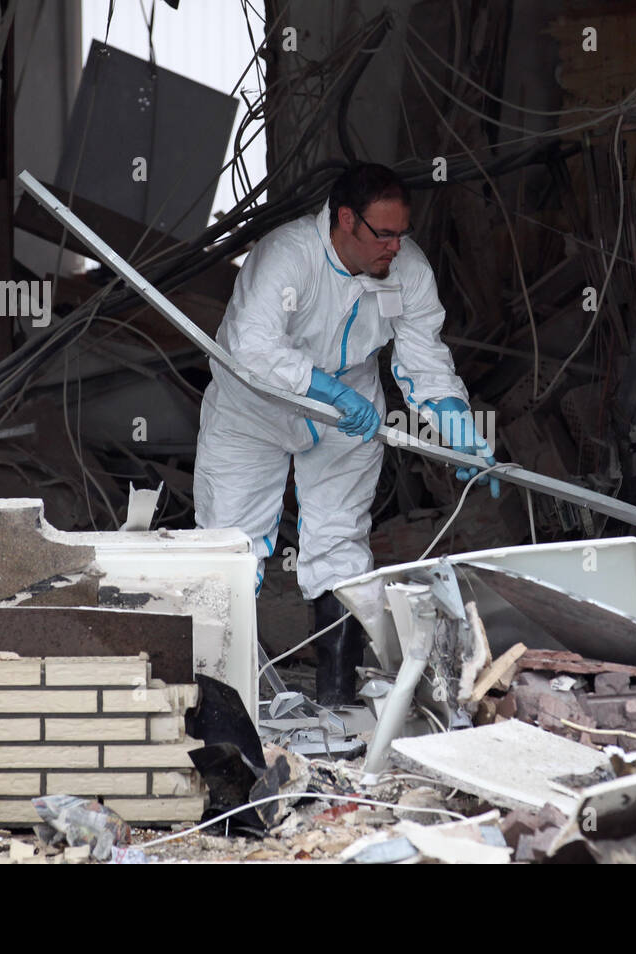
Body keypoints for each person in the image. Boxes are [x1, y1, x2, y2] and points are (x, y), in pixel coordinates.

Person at [194, 163, 497, 706]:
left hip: (352, 405)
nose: (395, 248)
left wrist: (454, 419)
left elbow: (423, 353)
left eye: (402, 234)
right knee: (229, 545)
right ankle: (220, 705)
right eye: (383, 234)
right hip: (254, 408)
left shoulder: (407, 270)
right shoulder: (287, 256)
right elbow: (253, 348)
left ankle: (337, 703)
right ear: (345, 221)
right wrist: (324, 393)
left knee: (340, 542)